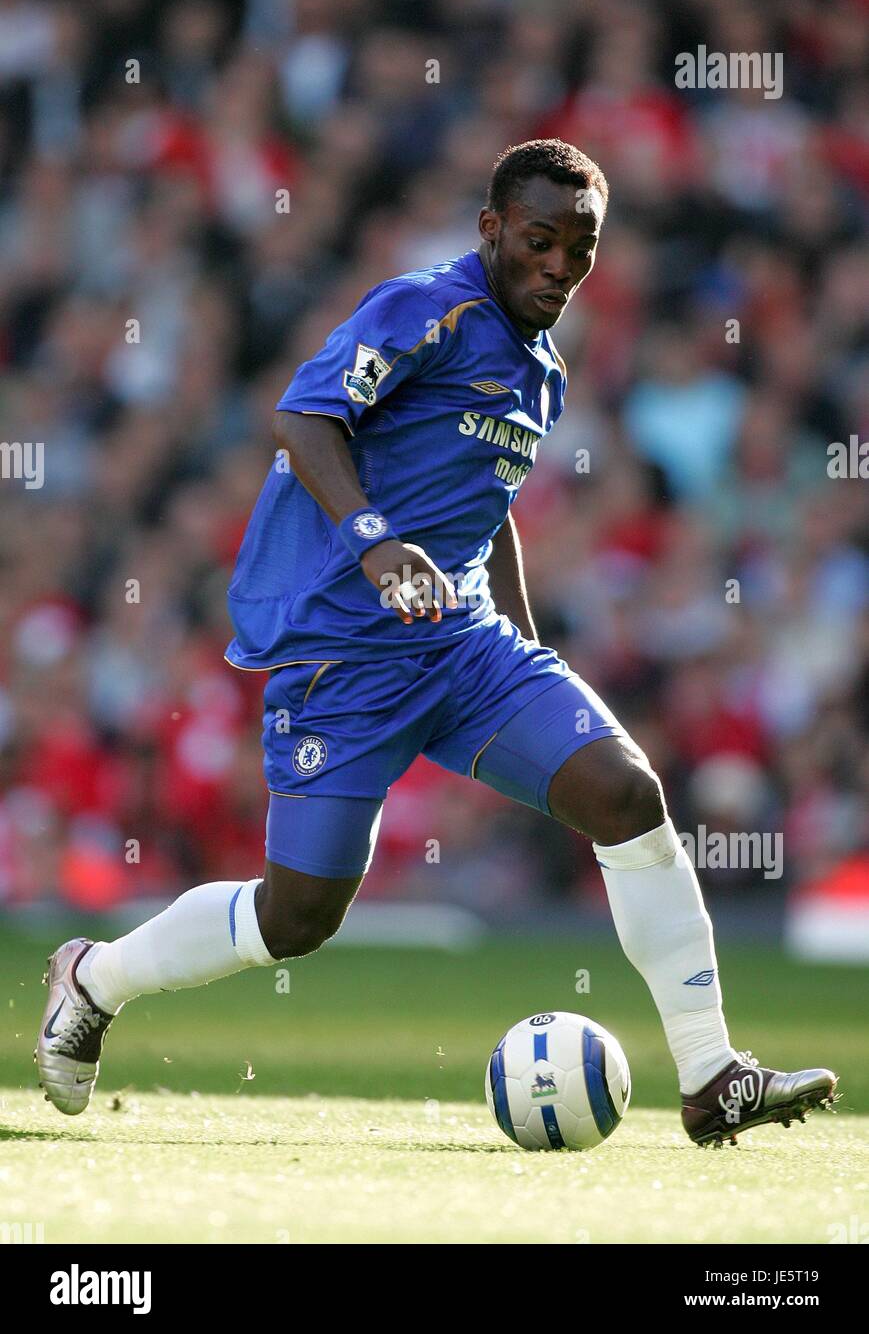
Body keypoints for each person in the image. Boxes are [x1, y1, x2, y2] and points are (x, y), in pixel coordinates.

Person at [36, 139, 836, 1147]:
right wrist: (375, 547)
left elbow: (482, 504)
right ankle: (94, 976)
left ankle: (710, 1073)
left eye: (578, 251)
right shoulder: (426, 308)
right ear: (491, 231)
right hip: (342, 656)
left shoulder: (538, 370)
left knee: (626, 794)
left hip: (462, 645)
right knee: (299, 918)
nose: (558, 267)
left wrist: (530, 660)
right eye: (539, 242)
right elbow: (304, 417)